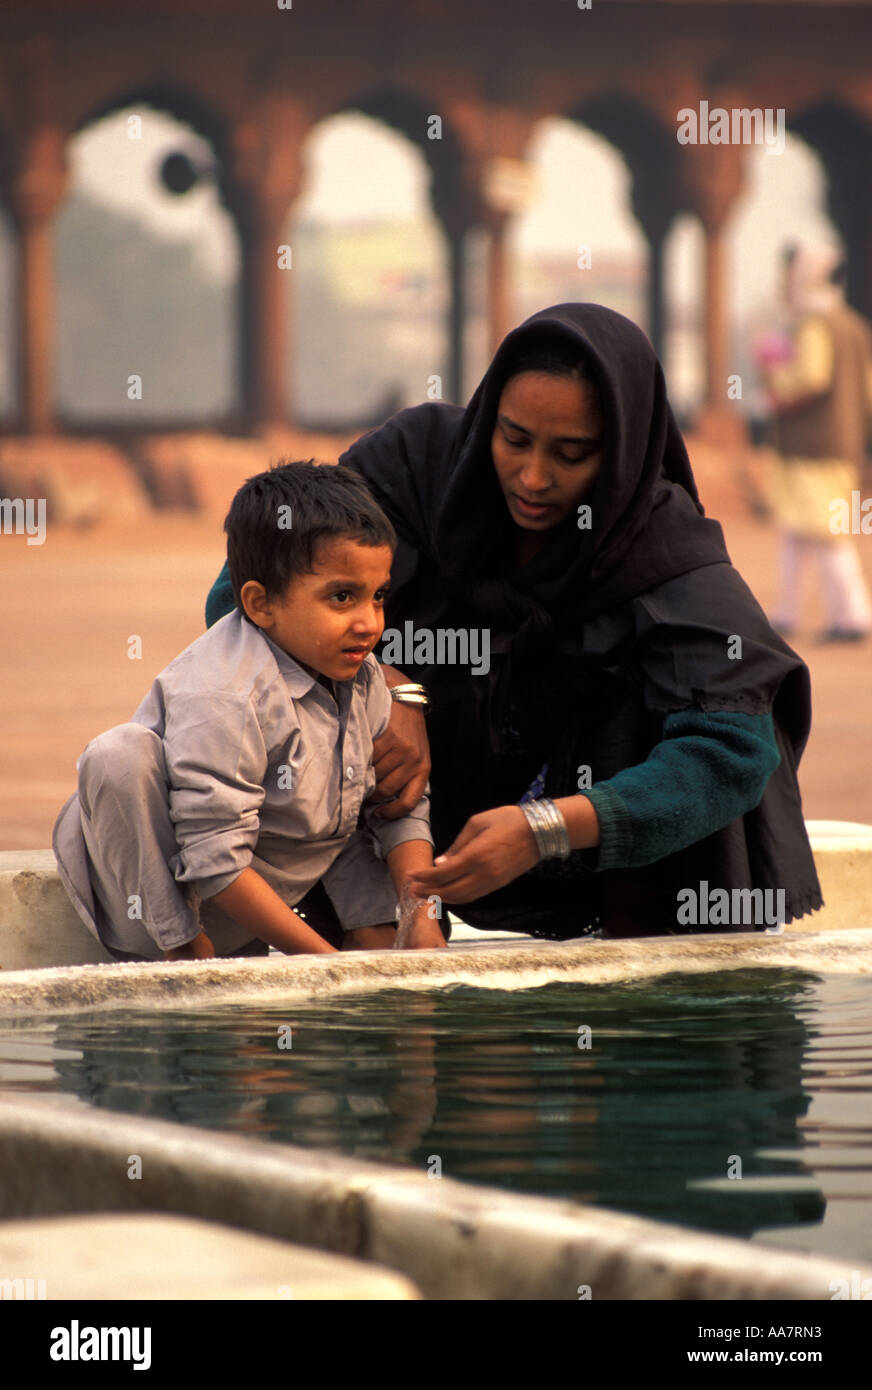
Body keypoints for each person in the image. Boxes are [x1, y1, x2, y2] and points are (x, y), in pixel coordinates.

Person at [206, 303, 823, 939]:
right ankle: (375, 926)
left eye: (571, 453)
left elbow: (734, 751)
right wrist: (385, 688)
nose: (532, 477)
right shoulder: (415, 469)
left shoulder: (663, 548)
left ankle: (640, 967)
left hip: (591, 852)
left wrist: (547, 828)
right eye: (514, 439)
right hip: (401, 810)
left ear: (621, 453)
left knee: (720, 702)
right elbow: (241, 600)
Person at [53, 462, 446, 961]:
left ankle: (368, 935)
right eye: (342, 597)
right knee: (118, 754)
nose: (370, 622)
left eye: (379, 596)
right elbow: (214, 857)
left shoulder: (361, 674)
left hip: (281, 870)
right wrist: (326, 966)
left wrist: (419, 915)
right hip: (158, 903)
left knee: (354, 792)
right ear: (260, 605)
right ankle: (184, 948)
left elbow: (396, 808)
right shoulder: (227, 694)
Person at [761, 244, 872, 642]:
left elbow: (811, 376)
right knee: (797, 530)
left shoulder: (814, 324)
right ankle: (787, 612)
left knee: (827, 533)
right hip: (840, 447)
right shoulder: (854, 326)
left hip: (814, 448)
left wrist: (775, 375)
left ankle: (853, 616)